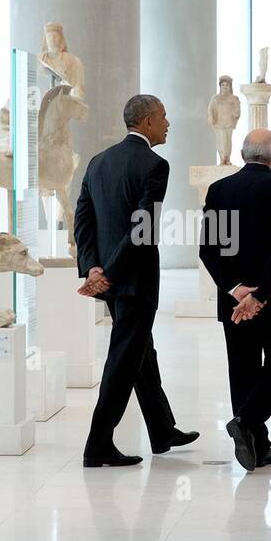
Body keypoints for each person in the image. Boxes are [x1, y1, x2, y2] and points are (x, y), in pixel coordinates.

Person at [73, 94, 199, 467]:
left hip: (110, 280)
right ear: (145, 122)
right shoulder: (155, 165)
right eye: (162, 116)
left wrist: (94, 268)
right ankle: (98, 445)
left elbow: (83, 220)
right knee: (123, 360)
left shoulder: (98, 162)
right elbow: (143, 229)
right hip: (134, 279)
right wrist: (109, 273)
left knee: (142, 351)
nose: (168, 123)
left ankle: (161, 430)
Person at [199, 129, 271, 471]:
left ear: (244, 155)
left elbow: (208, 249)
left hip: (233, 301)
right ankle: (248, 425)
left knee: (242, 369)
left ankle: (256, 445)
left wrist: (235, 289)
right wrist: (260, 295)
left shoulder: (219, 189)